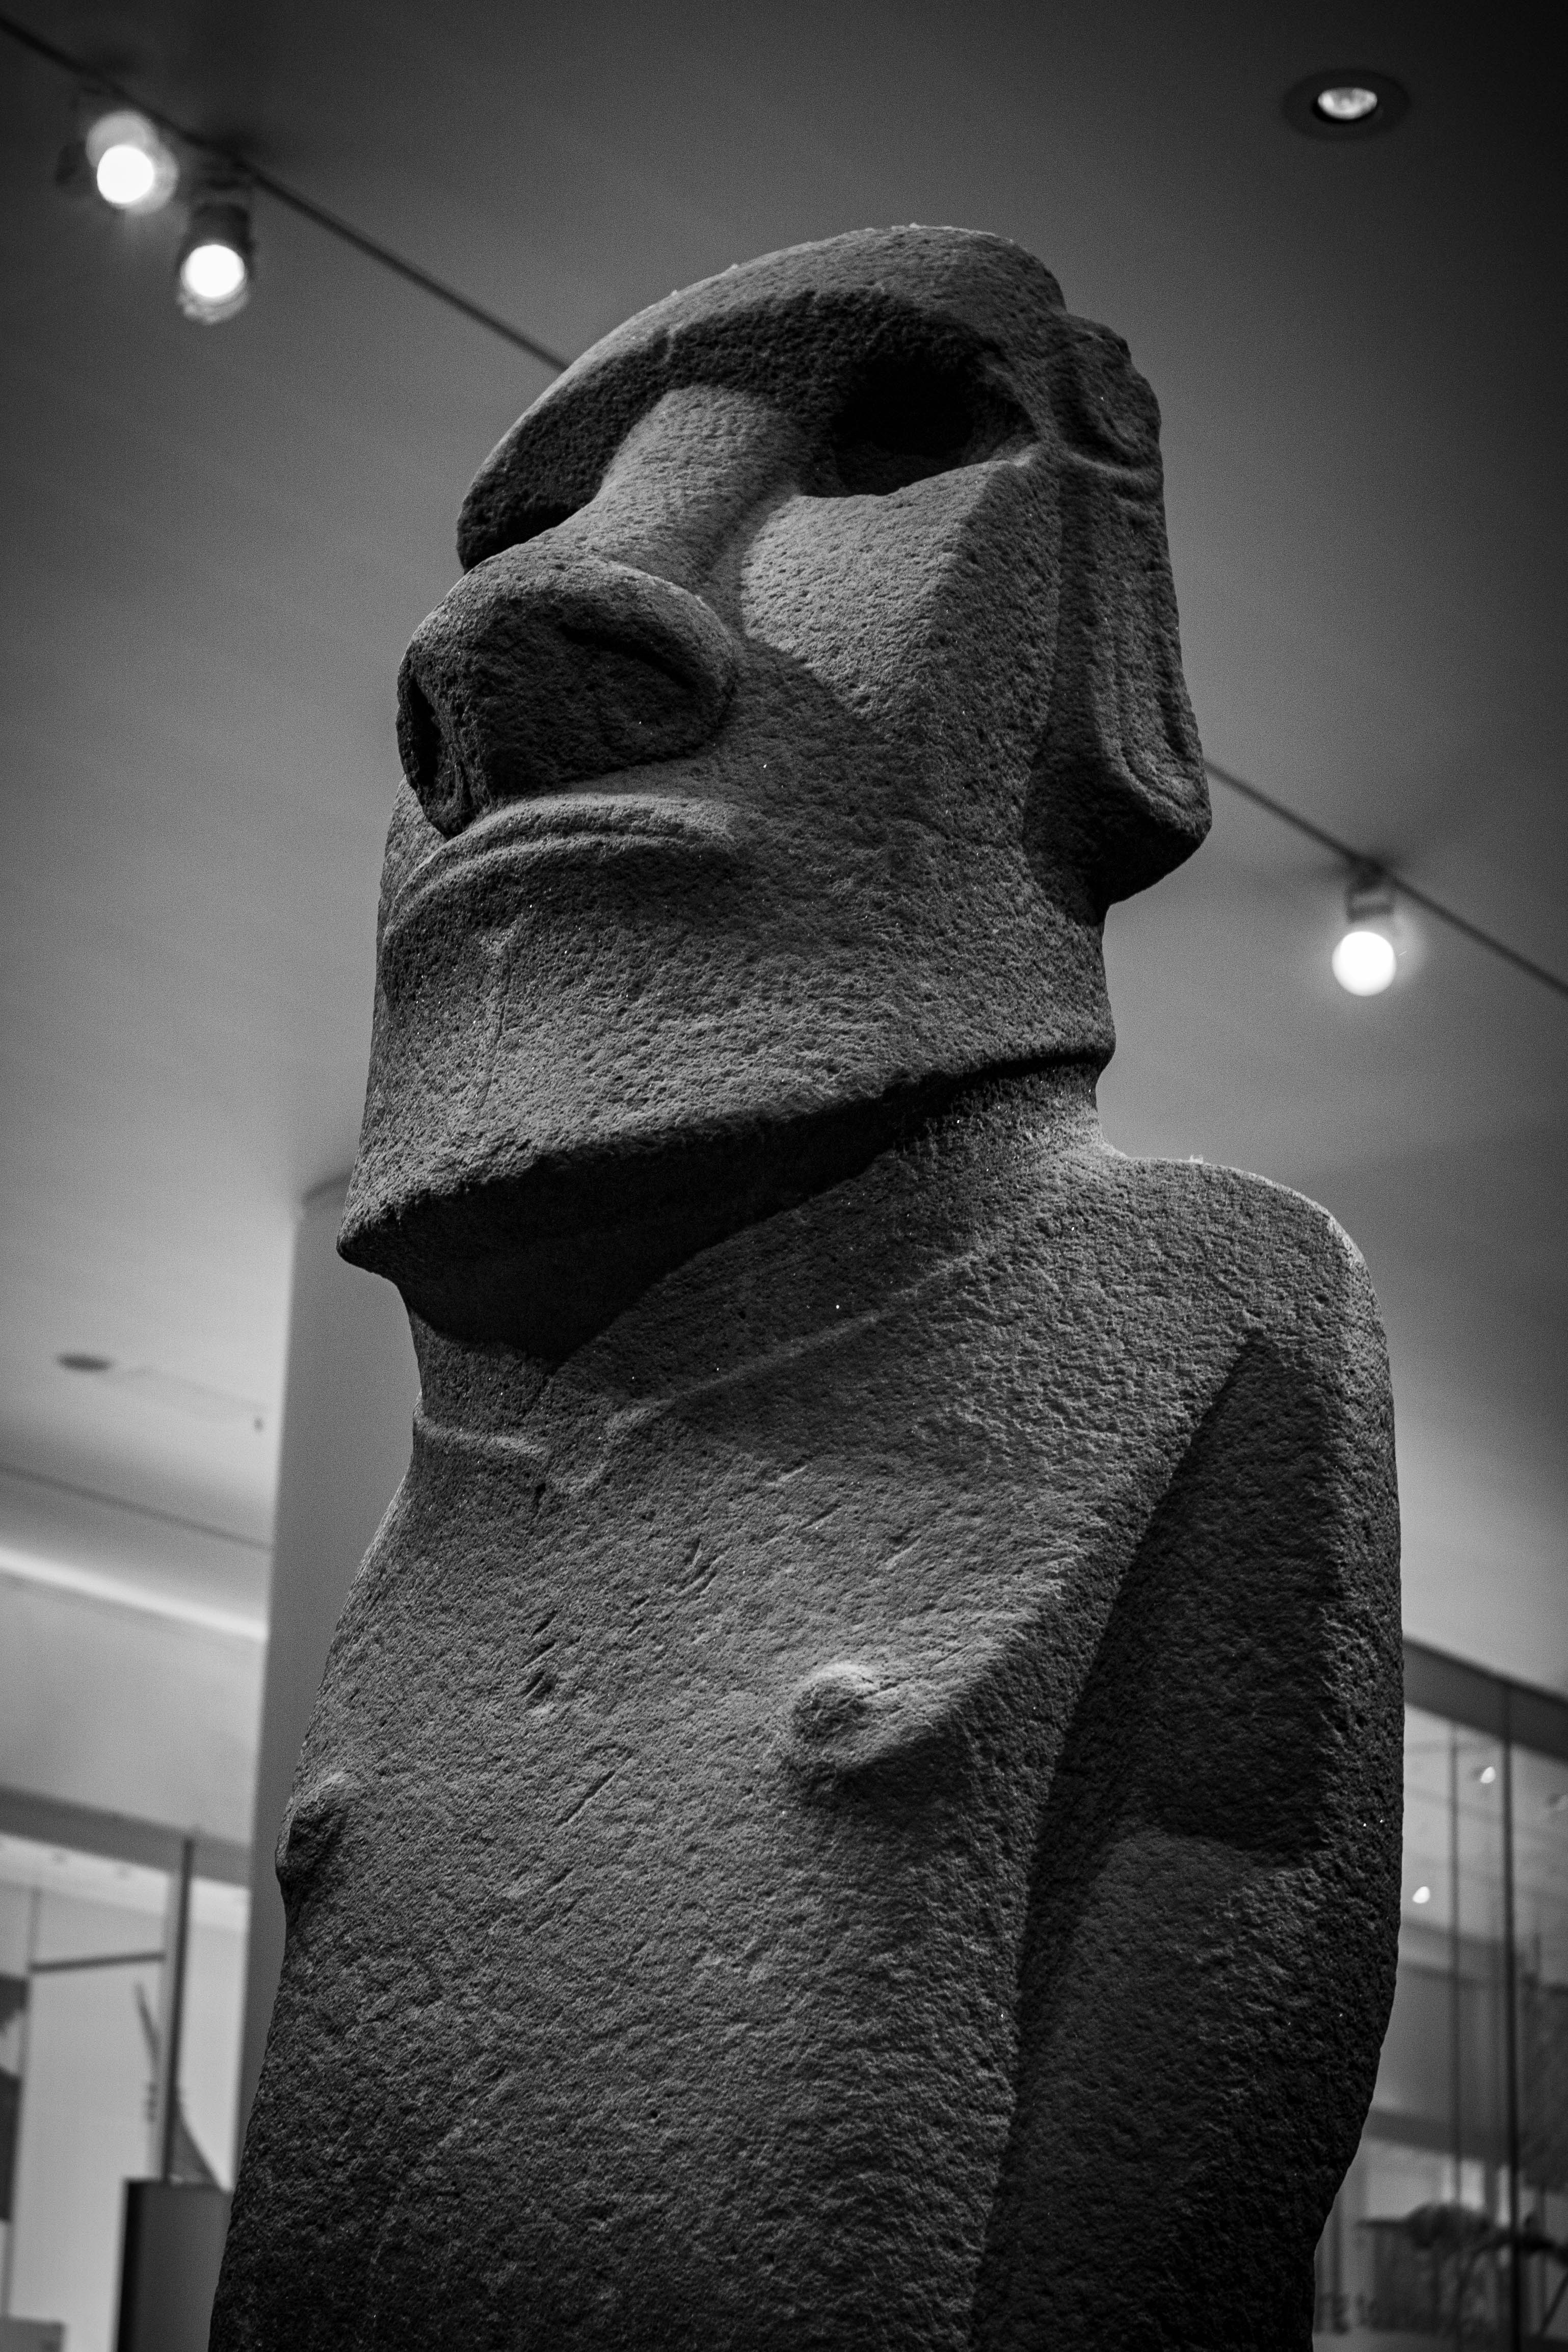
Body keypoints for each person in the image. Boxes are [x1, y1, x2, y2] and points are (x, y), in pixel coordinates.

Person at [215, 226, 1401, 2350]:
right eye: (524, 518)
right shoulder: (461, 1448)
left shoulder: (1195, 1316)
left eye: (886, 440)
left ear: (1108, 663)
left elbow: (1167, 2198)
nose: (515, 625)